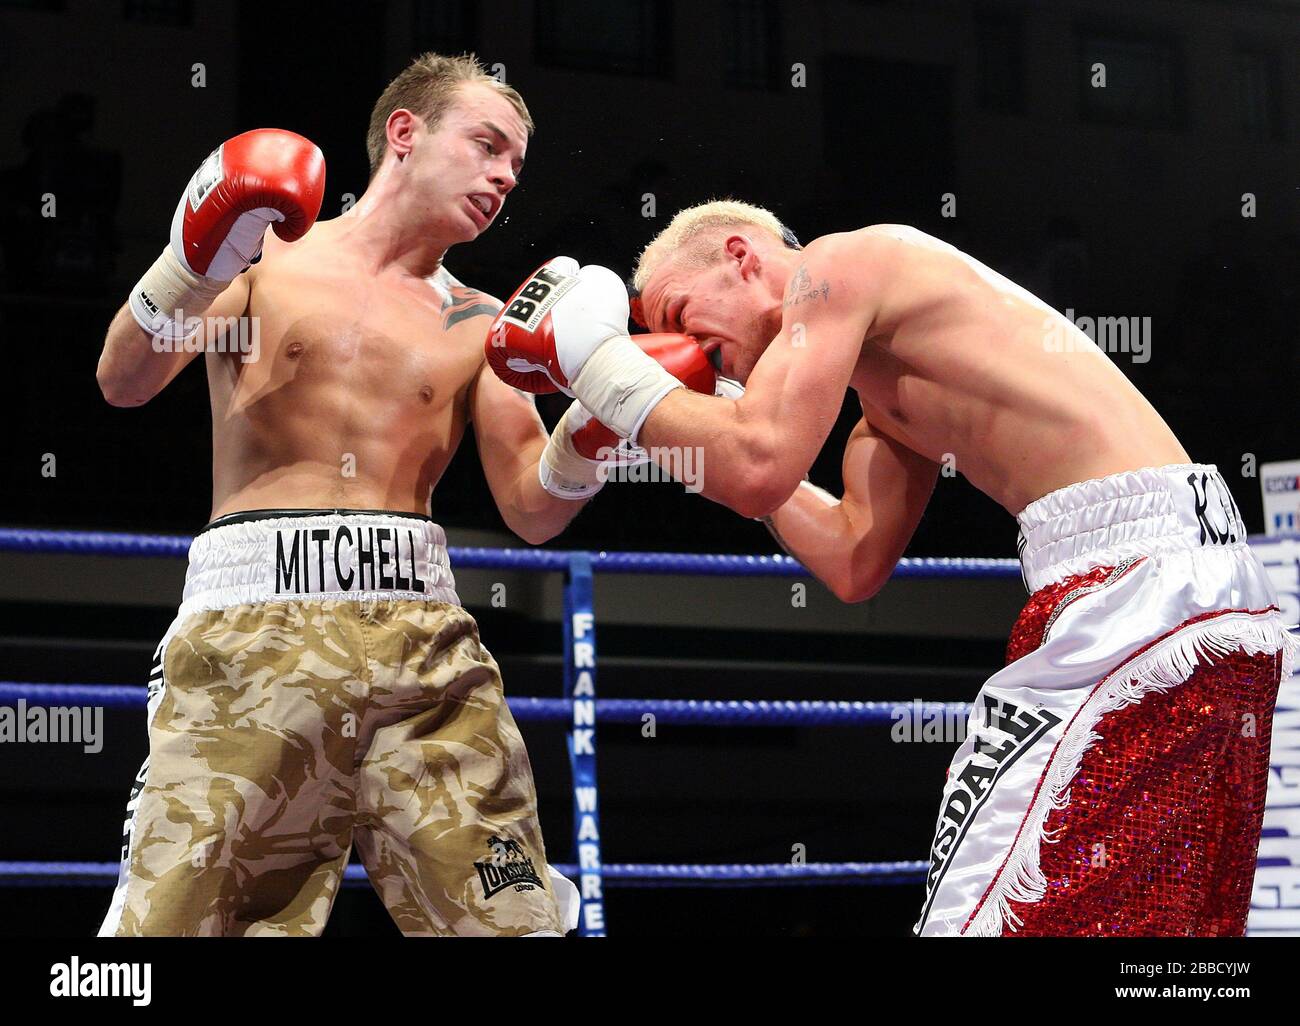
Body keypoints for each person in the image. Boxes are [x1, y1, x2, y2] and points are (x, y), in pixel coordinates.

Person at [485, 200, 1296, 936]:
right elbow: (850, 559)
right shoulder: (887, 417)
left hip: (1142, 588)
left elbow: (760, 462)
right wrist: (676, 422)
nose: (692, 355)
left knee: (982, 906)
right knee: (1157, 921)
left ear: (741, 256)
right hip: (1175, 590)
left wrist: (601, 367)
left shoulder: (844, 261)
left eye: (680, 317)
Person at [93, 53, 605, 936]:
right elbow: (125, 379)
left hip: (427, 652)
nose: (502, 179)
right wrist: (192, 256)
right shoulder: (264, 259)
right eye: (486, 146)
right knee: (175, 929)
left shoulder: (487, 323)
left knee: (511, 919)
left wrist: (600, 428)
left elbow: (531, 507)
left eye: (515, 166)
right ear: (404, 133)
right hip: (252, 632)